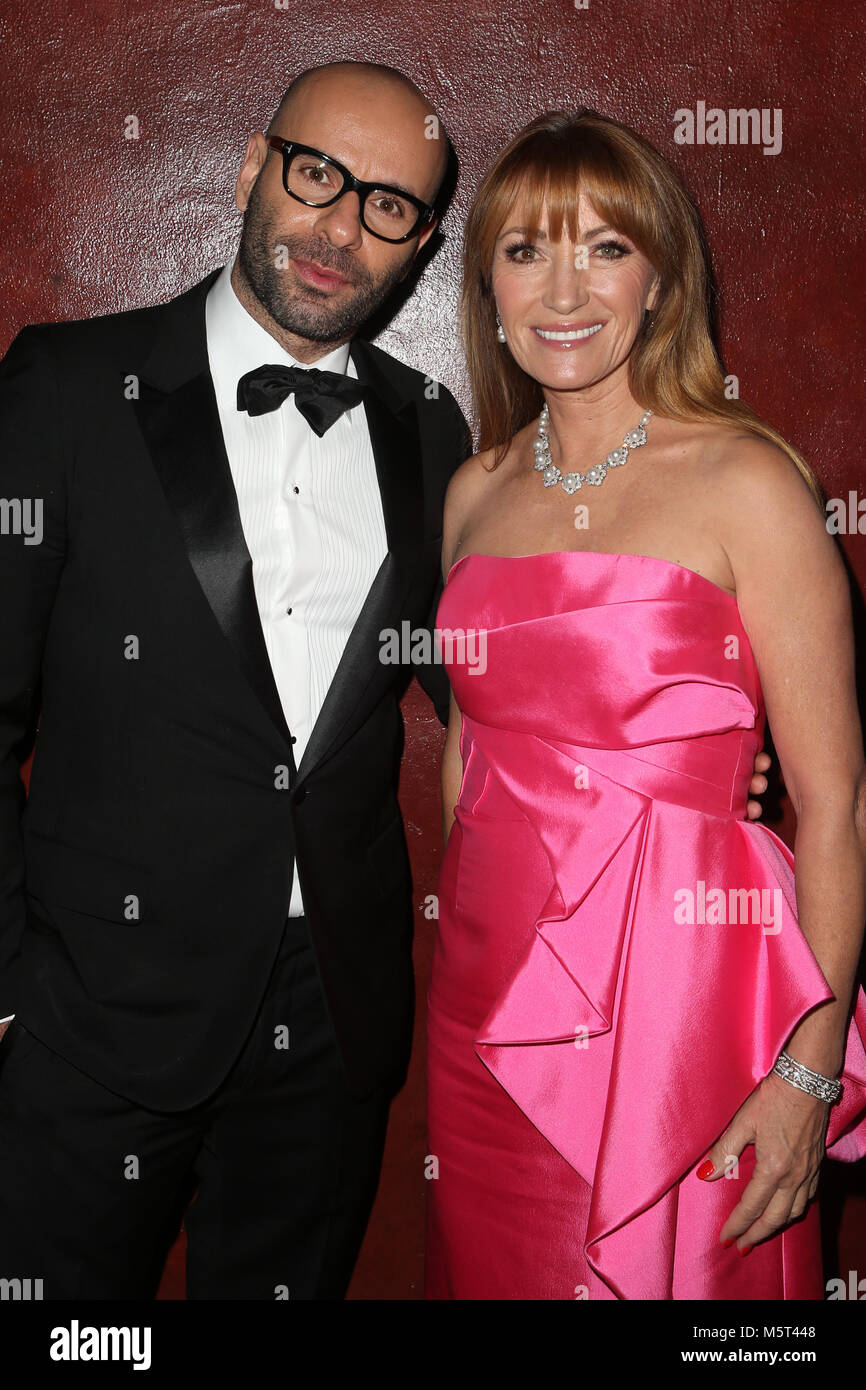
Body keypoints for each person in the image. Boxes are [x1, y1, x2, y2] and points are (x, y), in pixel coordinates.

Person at [0, 60, 472, 1300]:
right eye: (318, 174)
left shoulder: (433, 428)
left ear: (419, 245)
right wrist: (11, 996)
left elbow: (490, 691)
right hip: (92, 1016)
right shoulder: (62, 389)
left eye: (387, 205)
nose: (338, 226)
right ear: (252, 166)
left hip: (330, 1016)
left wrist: (687, 756)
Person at [426, 108, 866, 1300]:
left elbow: (835, 804)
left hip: (686, 1009)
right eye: (524, 251)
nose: (562, 287)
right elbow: (469, 755)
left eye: (603, 248)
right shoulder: (474, 491)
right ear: (488, 284)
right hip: (481, 1017)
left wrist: (805, 1069)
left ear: (659, 276)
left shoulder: (746, 480)